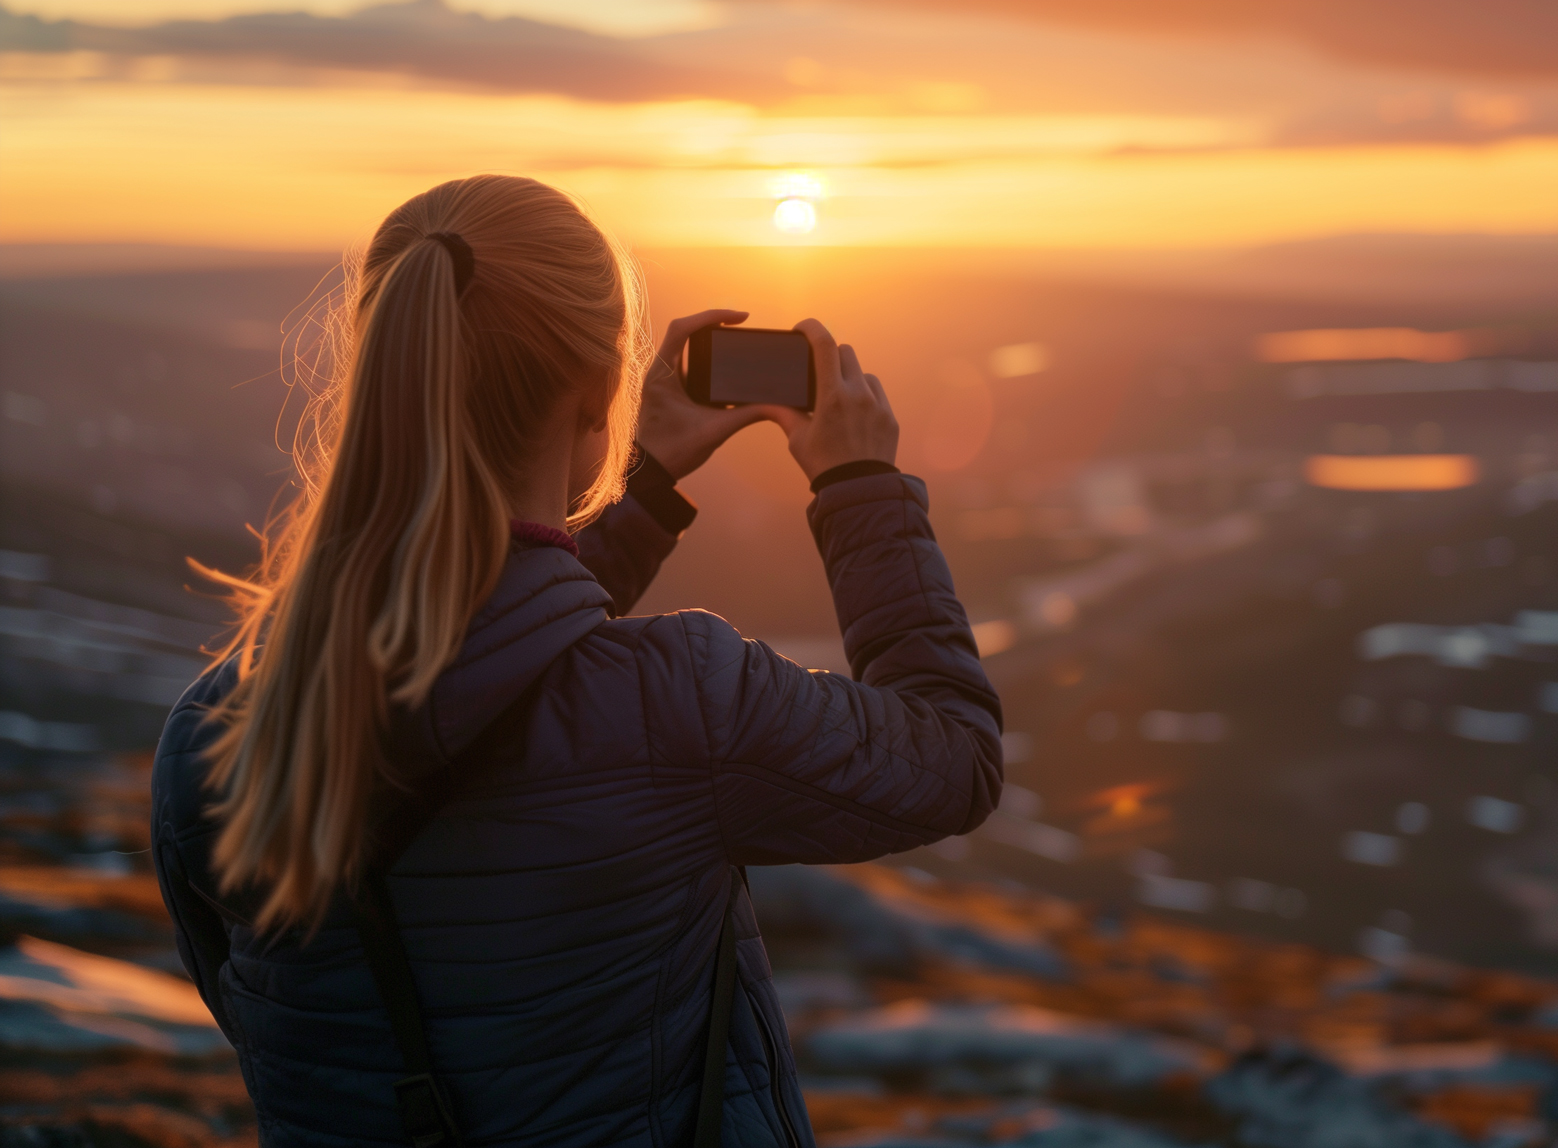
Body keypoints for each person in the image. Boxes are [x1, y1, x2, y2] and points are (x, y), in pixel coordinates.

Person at [149, 174, 1003, 1146]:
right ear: (604, 392)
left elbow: (492, 667)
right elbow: (950, 754)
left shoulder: (213, 735)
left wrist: (645, 488)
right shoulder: (684, 705)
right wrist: (859, 483)